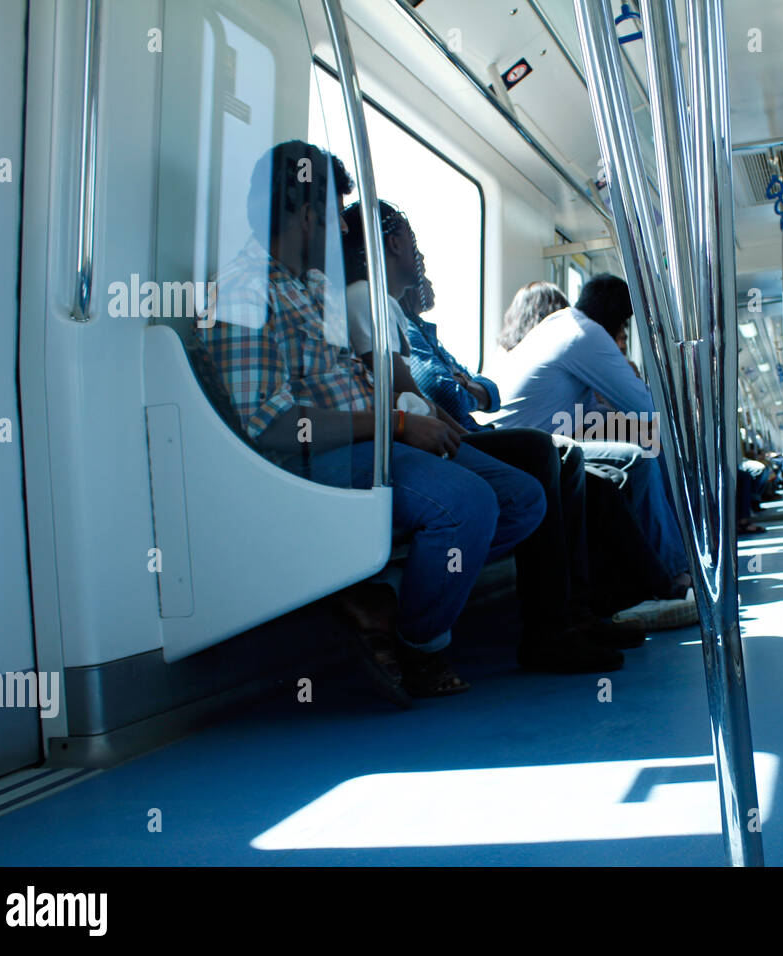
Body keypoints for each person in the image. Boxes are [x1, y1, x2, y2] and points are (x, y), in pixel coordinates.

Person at [197, 140, 543, 705]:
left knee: (521, 496)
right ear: (307, 215)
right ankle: (420, 643)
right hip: (316, 461)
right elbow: (274, 427)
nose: (341, 232)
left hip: (378, 438)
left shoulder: (312, 288)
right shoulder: (242, 290)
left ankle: (380, 600)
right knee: (469, 505)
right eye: (334, 217)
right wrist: (399, 428)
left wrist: (411, 419)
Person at [342, 200, 629, 672]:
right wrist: (461, 434)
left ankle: (575, 614)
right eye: (411, 239)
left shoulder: (385, 308)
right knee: (542, 452)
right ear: (393, 243)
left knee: (564, 457)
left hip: (433, 429)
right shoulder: (364, 301)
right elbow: (407, 395)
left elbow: (439, 393)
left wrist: (464, 428)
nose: (418, 251)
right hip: (404, 439)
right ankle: (548, 632)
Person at [490, 276, 696, 606]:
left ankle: (677, 556)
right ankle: (673, 571)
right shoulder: (586, 334)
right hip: (532, 446)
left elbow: (586, 411)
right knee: (642, 452)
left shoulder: (557, 325)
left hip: (530, 437)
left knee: (647, 438)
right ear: (619, 321)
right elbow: (644, 407)